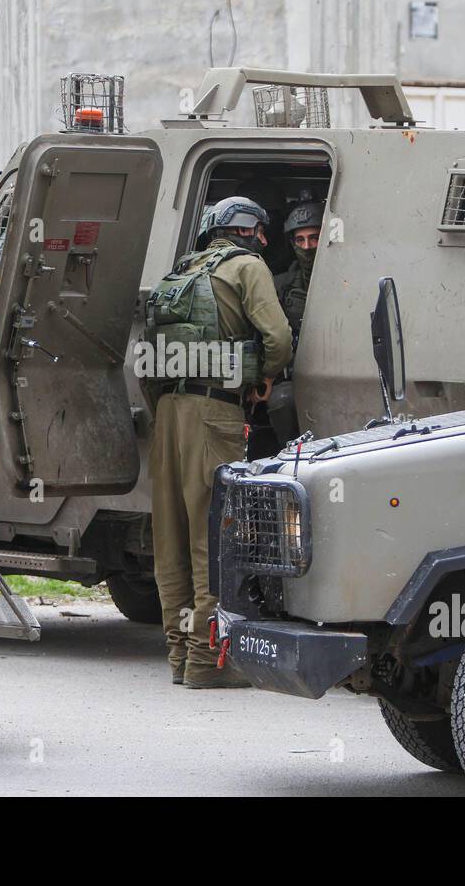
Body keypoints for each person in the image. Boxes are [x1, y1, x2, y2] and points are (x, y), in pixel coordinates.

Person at [145, 196, 293, 688]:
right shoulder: (248, 267)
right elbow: (279, 338)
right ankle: (208, 663)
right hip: (214, 413)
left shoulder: (184, 271)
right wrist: (263, 377)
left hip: (168, 412)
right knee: (214, 539)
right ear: (249, 230)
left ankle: (179, 657)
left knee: (171, 542)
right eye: (263, 231)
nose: (266, 241)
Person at [273, 200, 324, 344]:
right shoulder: (280, 285)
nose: (307, 247)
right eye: (300, 240)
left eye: (314, 238)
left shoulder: (346, 281)